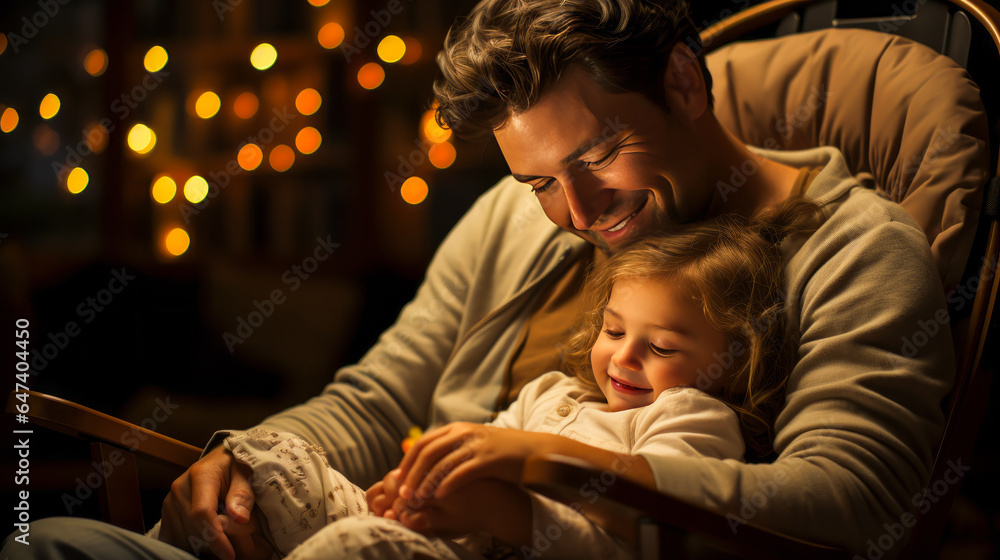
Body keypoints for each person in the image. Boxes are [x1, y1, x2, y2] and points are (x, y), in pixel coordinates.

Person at [3, 0, 954, 558]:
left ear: (685, 82)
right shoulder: (513, 218)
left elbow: (853, 507)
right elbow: (379, 398)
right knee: (49, 544)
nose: (578, 216)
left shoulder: (852, 252)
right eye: (541, 181)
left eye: (600, 155)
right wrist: (245, 458)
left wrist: (552, 469)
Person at [182, 198, 821, 560]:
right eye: (614, 330)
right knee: (274, 458)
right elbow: (464, 447)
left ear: (734, 358)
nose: (624, 361)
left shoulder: (689, 421)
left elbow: (641, 546)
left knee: (356, 547)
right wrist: (413, 488)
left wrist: (505, 511)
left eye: (659, 346)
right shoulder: (552, 393)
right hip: (446, 543)